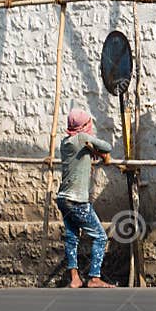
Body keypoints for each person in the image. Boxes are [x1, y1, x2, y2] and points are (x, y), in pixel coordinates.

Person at [56, 108, 115, 288]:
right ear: (84, 126)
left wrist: (93, 152)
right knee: (100, 237)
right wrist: (97, 149)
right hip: (76, 200)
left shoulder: (65, 142)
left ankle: (75, 277)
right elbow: (107, 147)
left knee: (72, 237)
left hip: (63, 198)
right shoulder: (82, 139)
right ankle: (94, 277)